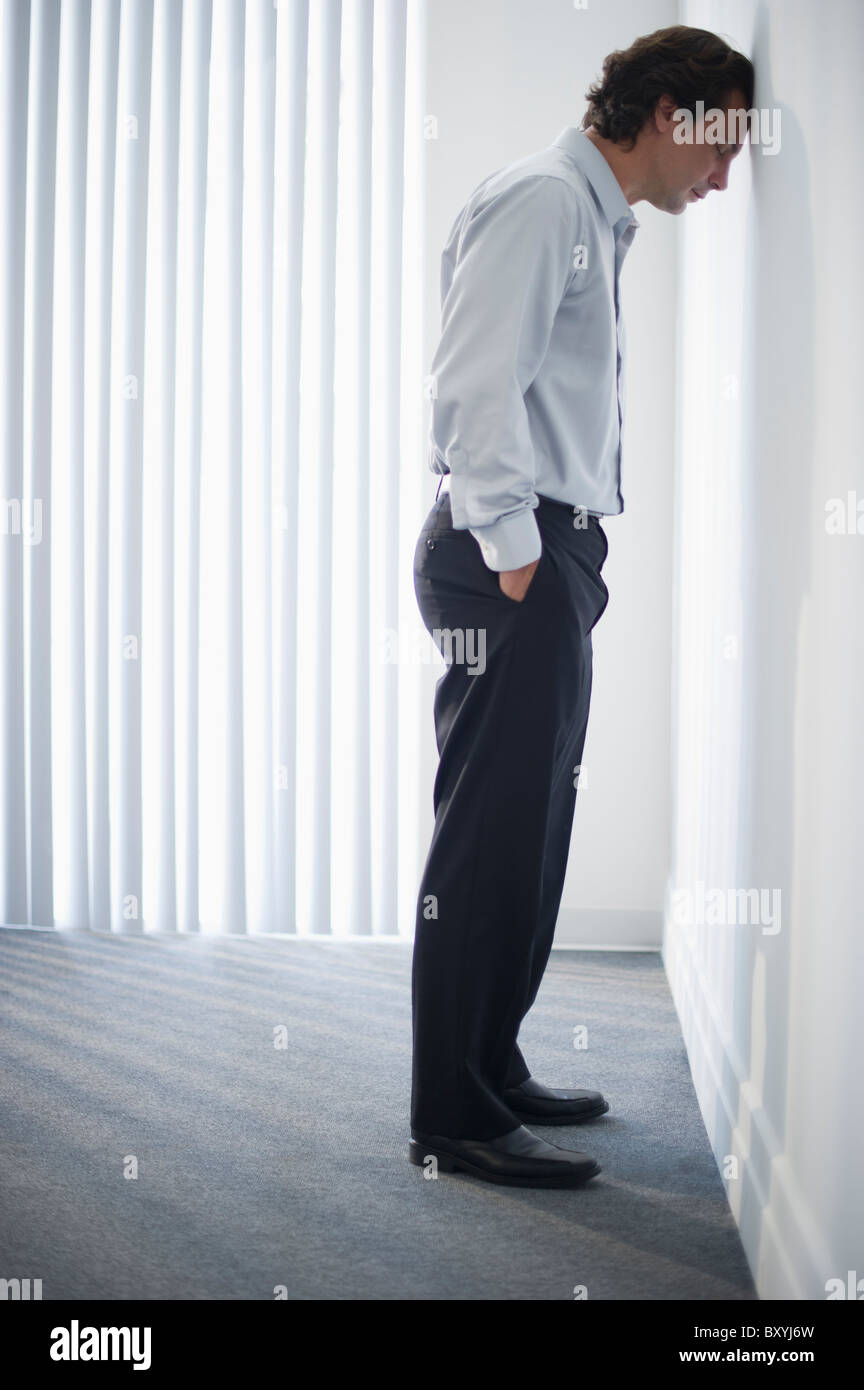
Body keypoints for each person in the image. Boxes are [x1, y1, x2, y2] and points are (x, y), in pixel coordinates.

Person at [409, 25, 754, 1187]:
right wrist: (514, 554)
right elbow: (471, 385)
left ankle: (489, 1063)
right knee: (488, 836)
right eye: (722, 145)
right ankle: (450, 1113)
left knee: (532, 834)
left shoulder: (591, 219)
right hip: (504, 559)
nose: (723, 175)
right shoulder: (546, 200)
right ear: (673, 111)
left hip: (548, 558)